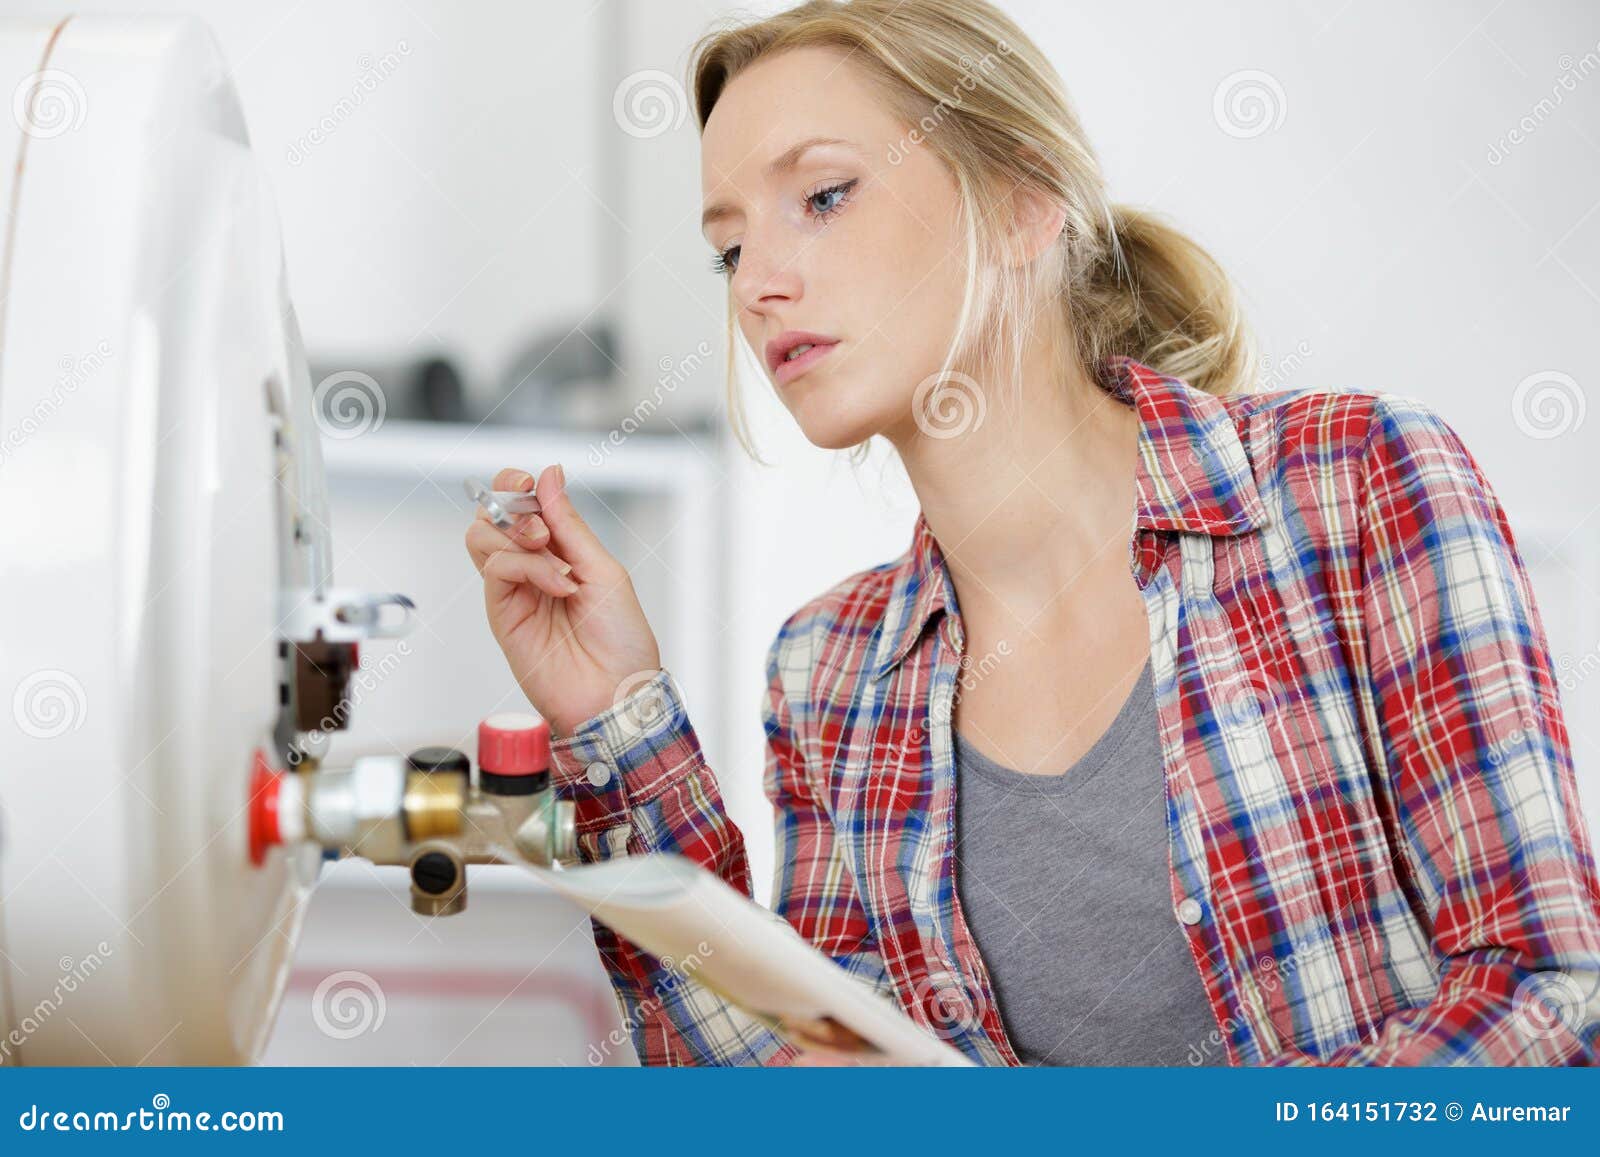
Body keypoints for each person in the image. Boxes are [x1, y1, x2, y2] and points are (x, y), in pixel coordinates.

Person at [464, 0, 1600, 1066]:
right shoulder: (828, 673)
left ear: (1021, 201)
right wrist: (616, 714)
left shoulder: (1355, 488)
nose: (758, 281)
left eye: (822, 197)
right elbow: (813, 1101)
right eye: (727, 247)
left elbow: (1550, 989)